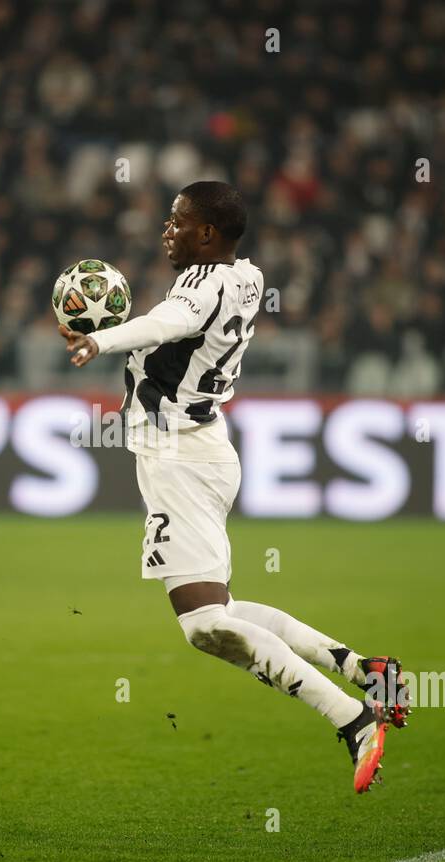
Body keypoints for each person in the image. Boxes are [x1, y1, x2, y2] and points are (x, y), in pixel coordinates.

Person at [59, 181, 409, 793]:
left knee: (202, 624)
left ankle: (353, 717)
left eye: (178, 221)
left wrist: (102, 338)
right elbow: (184, 318)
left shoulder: (202, 286)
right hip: (203, 448)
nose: (167, 230)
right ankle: (364, 669)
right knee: (216, 618)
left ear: (207, 234)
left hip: (182, 459)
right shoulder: (246, 276)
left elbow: (173, 318)